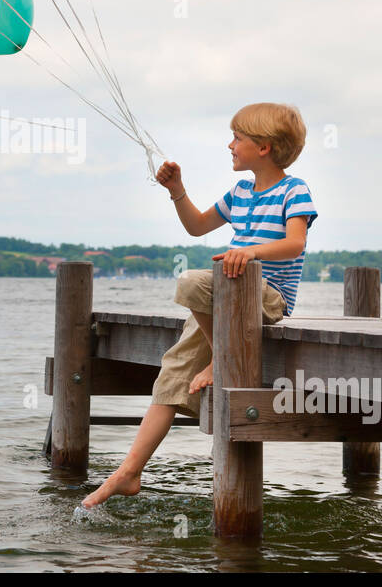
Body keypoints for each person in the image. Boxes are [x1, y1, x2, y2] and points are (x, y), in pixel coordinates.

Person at [80, 102, 318, 508]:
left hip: (266, 297)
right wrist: (177, 192)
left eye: (237, 138)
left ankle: (219, 357)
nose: (230, 145)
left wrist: (252, 254)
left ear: (263, 147)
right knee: (172, 374)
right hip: (226, 298)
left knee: (191, 281)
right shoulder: (241, 191)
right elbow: (197, 226)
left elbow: (296, 243)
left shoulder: (294, 190)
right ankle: (129, 472)